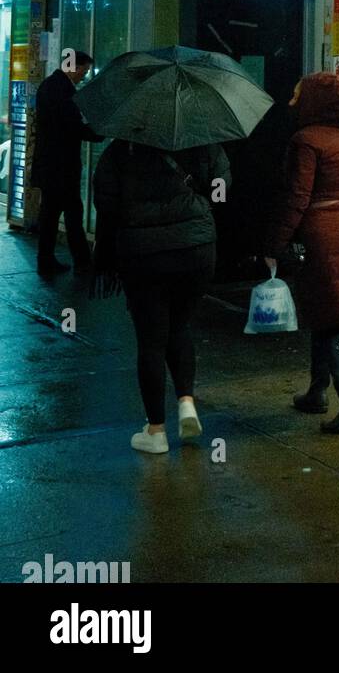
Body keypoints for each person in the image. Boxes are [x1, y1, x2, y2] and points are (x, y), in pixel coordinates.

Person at [92, 137, 230, 455]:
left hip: (143, 254)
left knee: (151, 340)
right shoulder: (204, 141)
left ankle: (155, 431)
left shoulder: (121, 148)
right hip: (197, 249)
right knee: (179, 326)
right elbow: (222, 188)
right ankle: (186, 404)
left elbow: (106, 204)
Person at [264, 72, 339, 435]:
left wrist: (275, 242)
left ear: (315, 101)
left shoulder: (306, 140)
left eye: (299, 94)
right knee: (328, 312)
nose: (293, 100)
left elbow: (299, 196)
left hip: (324, 233)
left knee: (329, 320)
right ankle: (316, 392)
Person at [30, 51, 104, 277]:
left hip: (51, 166)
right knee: (71, 214)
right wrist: (99, 132)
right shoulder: (62, 92)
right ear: (72, 67)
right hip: (61, 168)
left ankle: (49, 261)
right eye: (83, 70)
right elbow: (72, 126)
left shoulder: (49, 86)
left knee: (52, 215)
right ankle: (81, 262)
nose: (84, 75)